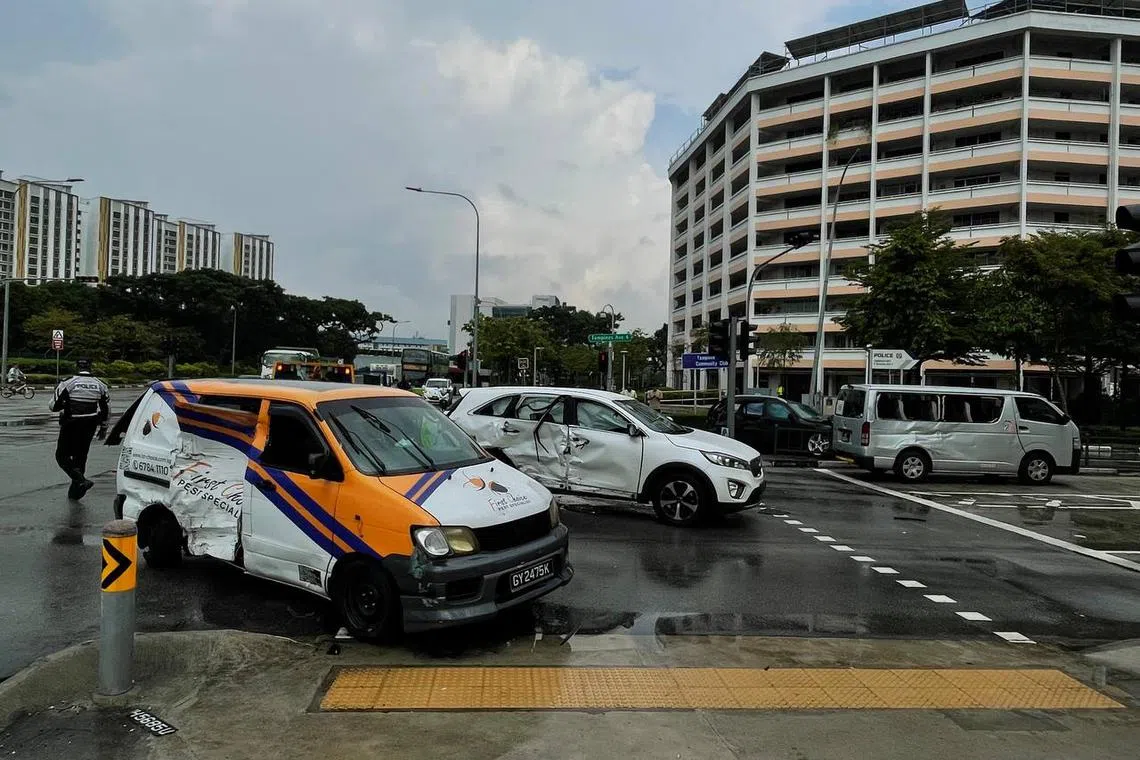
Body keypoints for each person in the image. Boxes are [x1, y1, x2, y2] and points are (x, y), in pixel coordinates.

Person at [50, 358, 110, 500]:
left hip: (71, 424)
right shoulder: (100, 384)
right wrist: (104, 428)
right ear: (91, 367)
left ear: (77, 367)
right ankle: (75, 493)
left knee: (62, 456)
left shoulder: (68, 382)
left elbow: (53, 406)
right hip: (90, 424)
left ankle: (81, 481)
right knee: (81, 456)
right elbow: (106, 408)